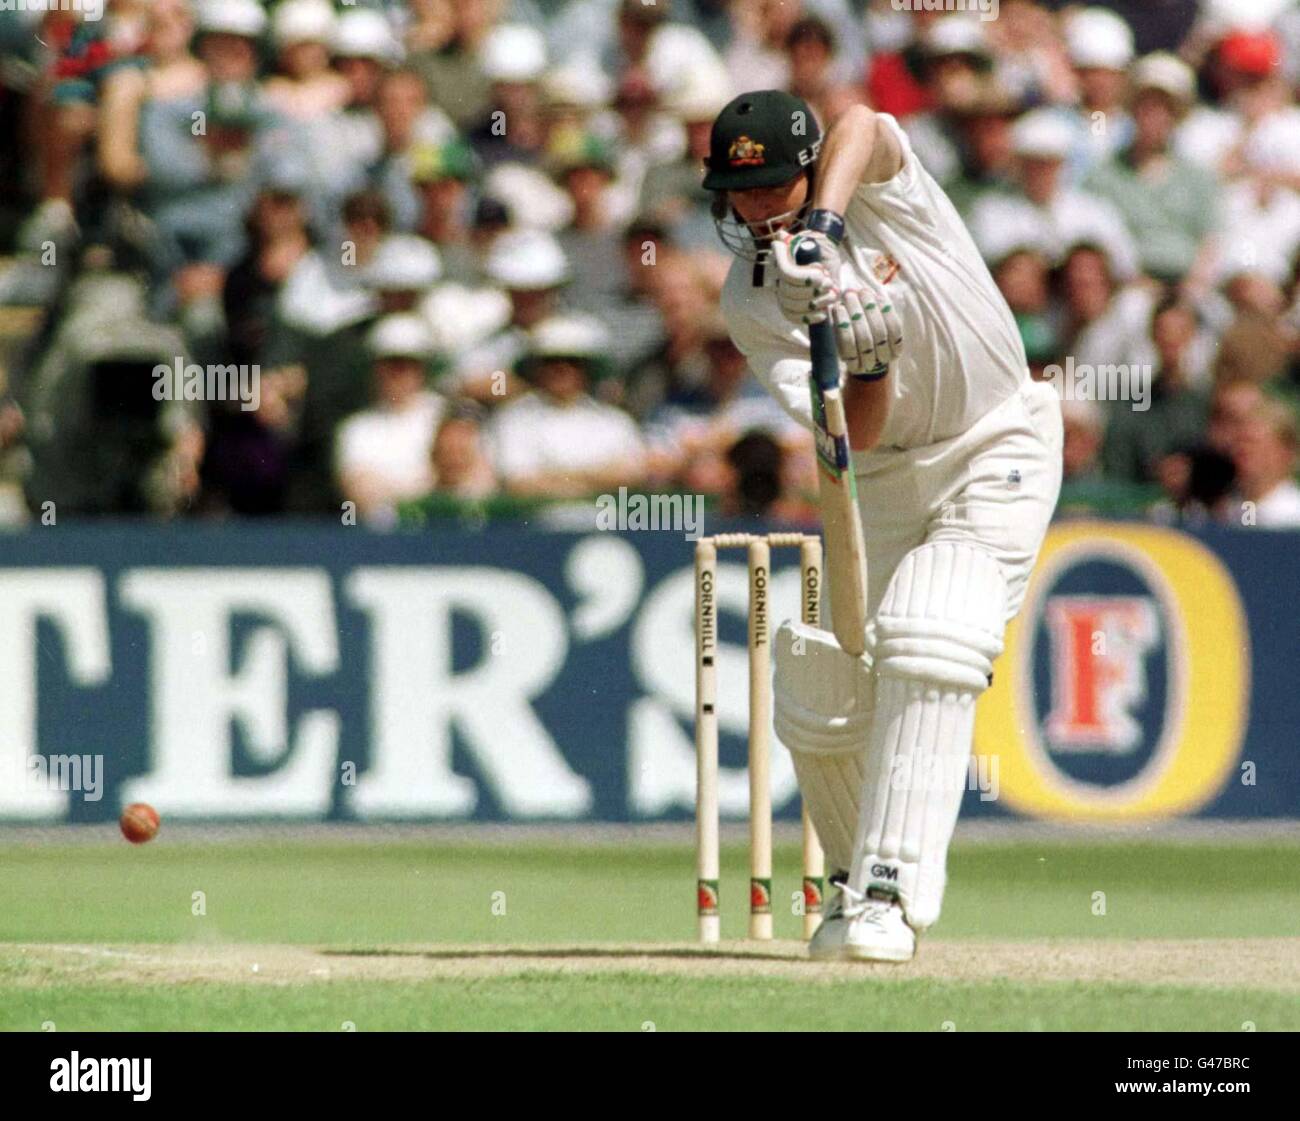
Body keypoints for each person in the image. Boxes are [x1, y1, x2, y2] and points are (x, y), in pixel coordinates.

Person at [704, 90, 1062, 962]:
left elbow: (861, 118)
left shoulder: (877, 191)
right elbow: (850, 438)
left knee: (933, 632)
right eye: (740, 194)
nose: (758, 209)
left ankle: (891, 897)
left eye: (775, 188)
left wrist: (821, 223)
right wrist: (867, 363)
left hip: (998, 439)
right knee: (825, 691)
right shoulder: (752, 304)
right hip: (888, 475)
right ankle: (849, 888)